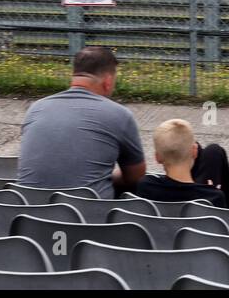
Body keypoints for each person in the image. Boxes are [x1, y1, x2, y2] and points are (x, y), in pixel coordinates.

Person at [17, 46, 146, 198]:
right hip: (87, 219)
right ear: (108, 82)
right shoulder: (119, 115)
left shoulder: (36, 108)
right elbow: (136, 177)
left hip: (28, 216)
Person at [136, 119, 229, 208]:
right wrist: (210, 190)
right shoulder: (213, 197)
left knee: (212, 151)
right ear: (195, 151)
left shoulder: (145, 185)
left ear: (157, 158)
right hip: (208, 201)